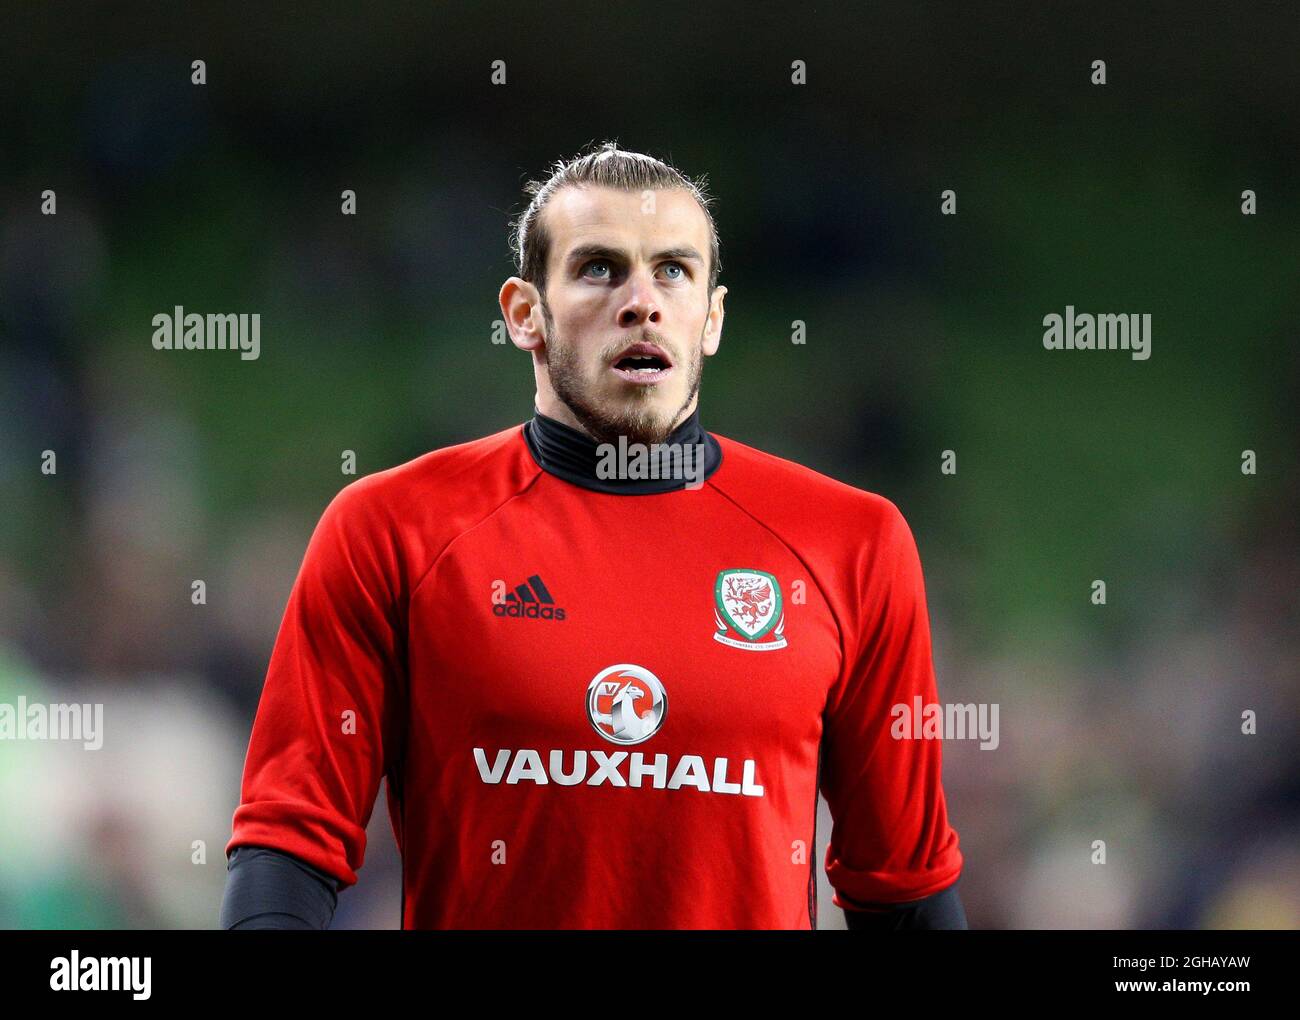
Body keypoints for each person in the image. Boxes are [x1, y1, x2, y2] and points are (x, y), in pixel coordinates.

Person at [221, 140, 967, 930]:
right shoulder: (390, 531)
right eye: (600, 268)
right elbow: (288, 850)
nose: (642, 300)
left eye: (674, 271)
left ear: (710, 319)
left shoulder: (851, 543)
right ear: (524, 314)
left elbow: (904, 890)